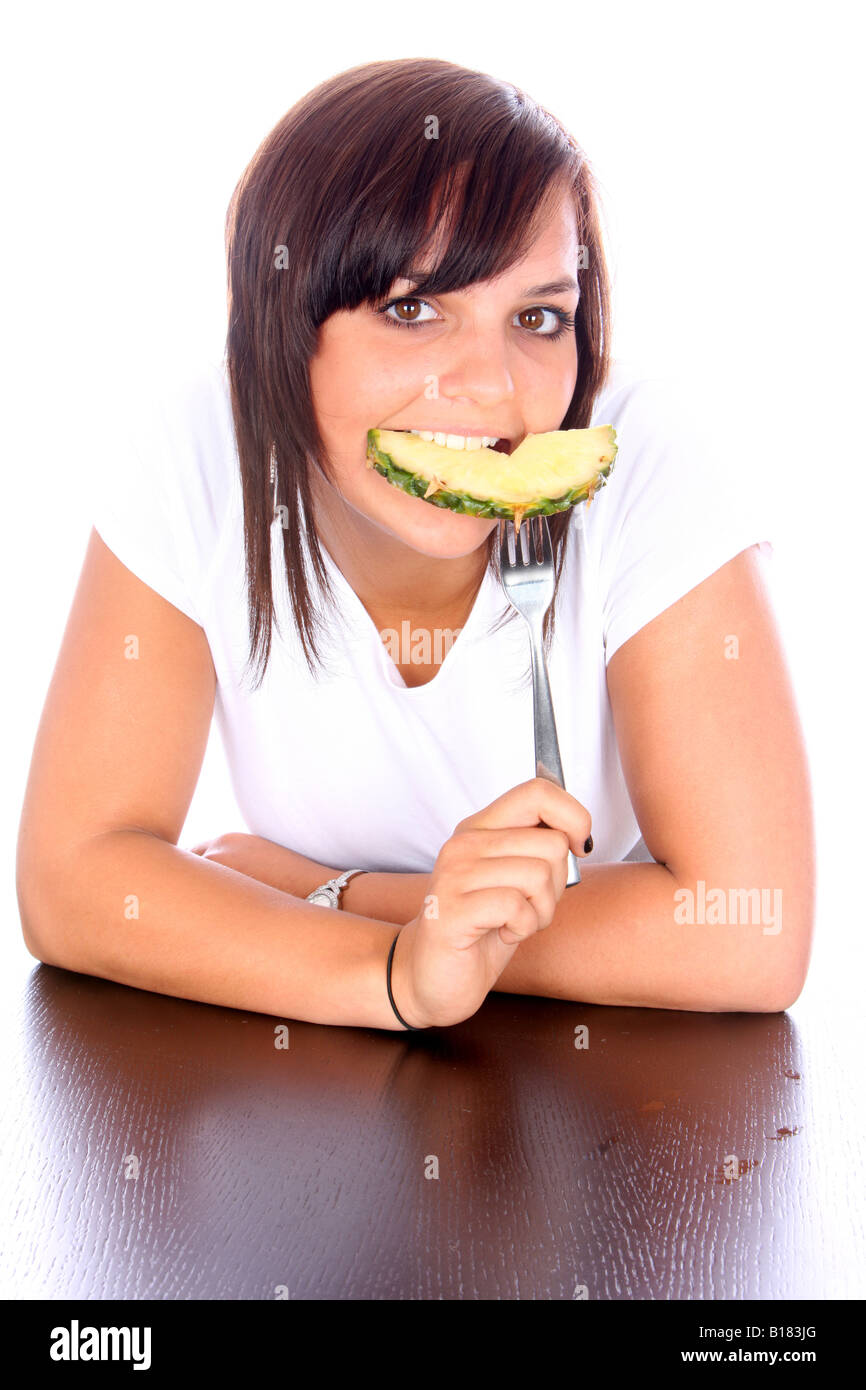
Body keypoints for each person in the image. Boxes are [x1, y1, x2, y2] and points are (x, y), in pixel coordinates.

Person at [16, 58, 815, 1030]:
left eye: (537, 316)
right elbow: (75, 877)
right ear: (279, 326)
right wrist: (397, 972)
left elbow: (745, 932)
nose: (489, 386)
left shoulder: (646, 458)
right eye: (411, 308)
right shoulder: (199, 450)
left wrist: (338, 892)